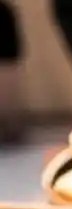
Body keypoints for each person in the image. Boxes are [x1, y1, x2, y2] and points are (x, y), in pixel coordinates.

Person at [0, 0, 19, 141]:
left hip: (7, 59)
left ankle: (11, 131)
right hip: (8, 58)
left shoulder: (4, 9)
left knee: (7, 100)